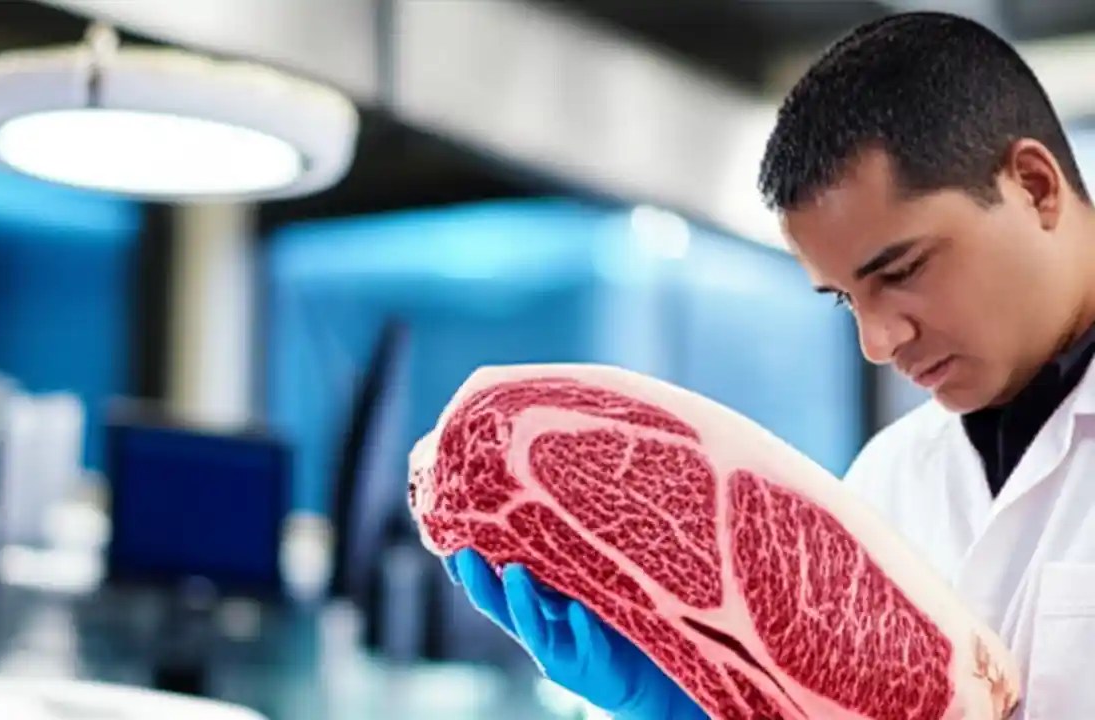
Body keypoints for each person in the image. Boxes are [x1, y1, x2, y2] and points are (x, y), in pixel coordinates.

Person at [445, 10, 1095, 718]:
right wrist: (696, 702)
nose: (877, 342)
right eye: (846, 301)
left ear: (1034, 185)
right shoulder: (890, 479)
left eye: (903, 270)